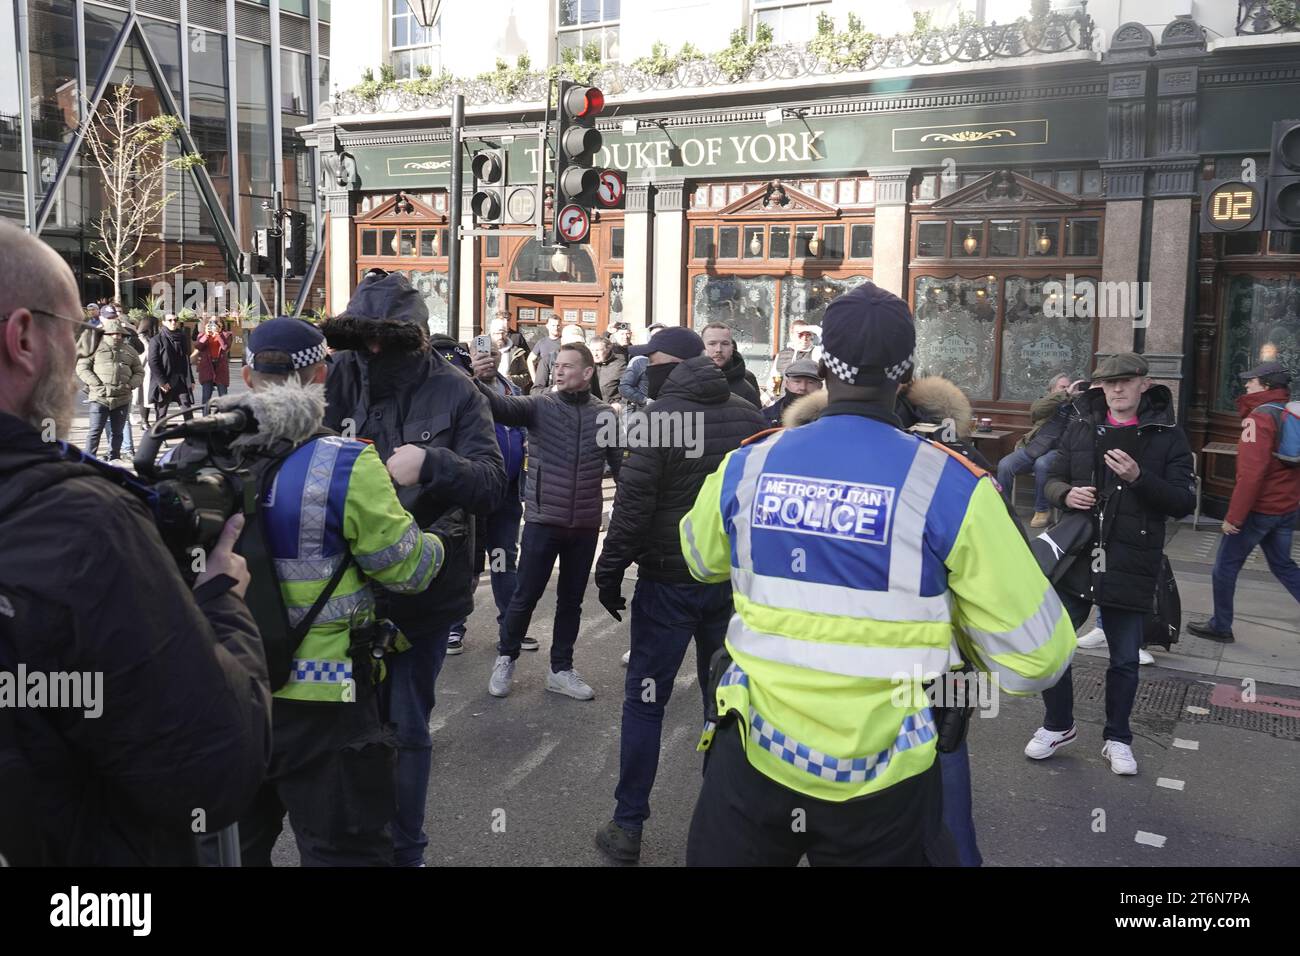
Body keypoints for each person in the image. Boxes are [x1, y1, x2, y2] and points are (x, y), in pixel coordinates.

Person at [679, 281, 1074, 866]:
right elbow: (1037, 659)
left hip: (753, 757)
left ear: (823, 368)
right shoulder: (951, 484)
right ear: (908, 374)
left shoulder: (751, 462)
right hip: (885, 776)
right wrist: (955, 637)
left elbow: (699, 556)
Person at [0, 220, 271, 865]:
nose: (80, 352)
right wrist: (221, 599)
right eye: (77, 332)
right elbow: (213, 767)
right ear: (24, 338)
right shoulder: (85, 529)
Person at [191, 318, 459, 867]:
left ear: (246, 373)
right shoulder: (345, 462)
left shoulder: (201, 454)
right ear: (321, 375)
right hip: (325, 699)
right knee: (345, 851)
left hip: (230, 690)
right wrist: (438, 540)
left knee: (231, 850)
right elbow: (406, 571)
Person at [322, 270, 506, 868]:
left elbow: (493, 483)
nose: (374, 351)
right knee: (348, 732)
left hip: (426, 594)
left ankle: (407, 852)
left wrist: (433, 463)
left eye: (388, 338)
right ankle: (360, 844)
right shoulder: (336, 380)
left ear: (417, 335)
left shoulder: (456, 391)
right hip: (342, 594)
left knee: (406, 726)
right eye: (363, 338)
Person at [593, 327, 766, 863]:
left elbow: (633, 506)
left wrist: (609, 570)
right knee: (727, 703)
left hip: (668, 581)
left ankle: (628, 826)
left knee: (646, 701)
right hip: (729, 584)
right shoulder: (748, 415)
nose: (645, 367)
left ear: (675, 364)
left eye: (653, 359)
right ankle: (726, 825)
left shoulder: (655, 420)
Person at [1027, 352, 1196, 776]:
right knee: (1053, 648)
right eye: (1108, 382)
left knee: (1123, 659)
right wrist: (1065, 494)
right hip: (1080, 556)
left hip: (1131, 559)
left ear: (1145, 383)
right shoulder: (1081, 425)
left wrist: (1141, 478)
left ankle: (1118, 738)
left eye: (1126, 381)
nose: (1117, 389)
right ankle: (1058, 725)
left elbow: (1182, 502)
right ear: (1100, 387)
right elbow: (1049, 477)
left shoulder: (1167, 436)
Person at [471, 342, 621, 701]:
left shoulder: (606, 415)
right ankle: (506, 657)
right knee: (525, 597)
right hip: (543, 521)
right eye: (557, 364)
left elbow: (621, 467)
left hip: (584, 525)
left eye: (568, 366)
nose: (558, 370)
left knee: (571, 602)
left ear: (587, 373)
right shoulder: (540, 405)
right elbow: (500, 407)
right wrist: (480, 379)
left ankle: (561, 669)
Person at [1188, 361, 1300, 643]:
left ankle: (1221, 626)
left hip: (1258, 510)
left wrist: (1234, 518)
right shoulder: (1289, 413)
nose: (1246, 385)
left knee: (1225, 567)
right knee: (1283, 565)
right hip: (1286, 508)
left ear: (1266, 386)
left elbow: (1251, 474)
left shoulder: (1258, 418)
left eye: (1252, 381)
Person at [445, 339, 528, 656]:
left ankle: (511, 628)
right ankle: (454, 629)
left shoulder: (513, 392)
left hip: (506, 493)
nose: (489, 359)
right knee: (467, 561)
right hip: (474, 491)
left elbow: (523, 428)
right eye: (481, 355)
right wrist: (474, 382)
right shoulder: (464, 391)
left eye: (493, 354)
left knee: (505, 559)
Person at [996, 373, 1076, 528]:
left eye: (1068, 387)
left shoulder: (1077, 404)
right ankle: (1002, 507)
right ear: (1052, 390)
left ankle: (1042, 510)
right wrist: (1063, 396)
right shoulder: (1045, 404)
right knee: (1005, 464)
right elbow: (1035, 411)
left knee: (1042, 464)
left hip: (1058, 452)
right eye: (1062, 387)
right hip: (1035, 447)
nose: (1067, 390)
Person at [75, 317, 143, 462]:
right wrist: (97, 385)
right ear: (106, 334)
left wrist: (131, 385)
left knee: (117, 433)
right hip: (100, 397)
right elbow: (82, 367)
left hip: (122, 398)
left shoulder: (130, 351)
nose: (116, 336)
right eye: (112, 333)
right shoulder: (94, 348)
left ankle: (114, 457)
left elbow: (139, 371)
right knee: (94, 431)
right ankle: (88, 459)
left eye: (119, 334)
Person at [701, 321, 761, 407]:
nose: (719, 349)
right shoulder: (686, 380)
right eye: (712, 344)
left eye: (725, 344)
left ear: (732, 347)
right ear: (702, 347)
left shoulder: (747, 381)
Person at [149, 311, 195, 421]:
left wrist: (191, 379)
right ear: (164, 322)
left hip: (181, 381)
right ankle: (159, 436)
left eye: (175, 320)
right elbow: (153, 362)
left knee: (187, 410)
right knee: (161, 414)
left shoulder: (182, 337)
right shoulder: (156, 340)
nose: (173, 322)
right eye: (170, 320)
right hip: (165, 382)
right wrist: (162, 382)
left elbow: (186, 359)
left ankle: (192, 436)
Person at [760, 357, 822, 427]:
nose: (803, 387)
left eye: (810, 382)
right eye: (797, 382)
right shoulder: (765, 416)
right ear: (787, 384)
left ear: (820, 386)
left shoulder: (827, 417)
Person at [619, 322, 664, 410]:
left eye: (662, 335)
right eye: (655, 336)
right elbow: (624, 387)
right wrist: (644, 400)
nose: (659, 338)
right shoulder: (639, 360)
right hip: (643, 413)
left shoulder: (676, 361)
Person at [193, 314, 233, 407]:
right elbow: (198, 346)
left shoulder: (226, 334)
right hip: (207, 367)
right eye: (211, 322)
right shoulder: (202, 335)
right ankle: (205, 417)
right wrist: (207, 335)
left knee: (223, 395)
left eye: (216, 322)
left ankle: (224, 417)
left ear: (221, 324)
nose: (213, 324)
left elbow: (225, 347)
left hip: (220, 368)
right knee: (206, 396)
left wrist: (218, 335)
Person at [772, 319, 821, 388]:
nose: (804, 338)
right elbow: (776, 377)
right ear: (791, 335)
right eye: (800, 334)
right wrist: (773, 395)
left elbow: (829, 341)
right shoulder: (782, 354)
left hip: (805, 397)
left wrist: (814, 328)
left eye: (808, 334)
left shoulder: (816, 352)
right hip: (784, 397)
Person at [490, 313, 532, 394]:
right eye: (497, 333)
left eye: (503, 333)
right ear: (491, 334)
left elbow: (526, 376)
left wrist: (512, 379)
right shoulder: (482, 349)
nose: (500, 336)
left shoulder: (517, 341)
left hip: (511, 395)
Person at [527, 314, 562, 392]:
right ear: (547, 326)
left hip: (559, 382)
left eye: (558, 325)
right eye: (553, 325)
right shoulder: (541, 342)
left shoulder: (564, 341)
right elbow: (530, 360)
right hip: (544, 384)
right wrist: (535, 379)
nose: (556, 328)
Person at [590, 334, 627, 407]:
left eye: (598, 350)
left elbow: (628, 388)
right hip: (590, 409)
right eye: (592, 350)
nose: (595, 354)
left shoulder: (619, 365)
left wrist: (621, 404)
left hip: (610, 410)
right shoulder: (587, 364)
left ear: (608, 349)